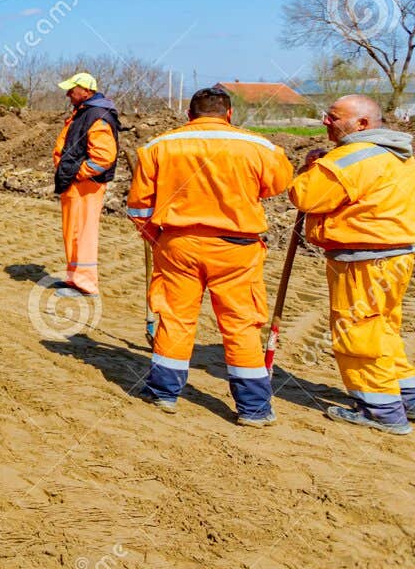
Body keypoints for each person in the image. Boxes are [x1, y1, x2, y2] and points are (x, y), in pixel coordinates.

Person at [126, 86, 294, 426]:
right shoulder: (258, 147)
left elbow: (139, 208)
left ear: (189, 115)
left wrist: (158, 238)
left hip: (177, 245)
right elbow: (279, 185)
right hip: (237, 248)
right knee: (241, 325)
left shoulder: (158, 146)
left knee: (175, 318)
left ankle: (163, 393)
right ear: (229, 114)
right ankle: (253, 409)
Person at [288, 94, 415, 436]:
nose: (326, 122)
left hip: (363, 259)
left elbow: (306, 196)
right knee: (383, 328)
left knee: (357, 331)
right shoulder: (398, 153)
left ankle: (380, 410)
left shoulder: (351, 157)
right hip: (397, 255)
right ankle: (406, 394)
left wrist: (309, 169)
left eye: (333, 117)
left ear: (362, 124)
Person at [52, 71, 120, 298]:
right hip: (76, 184)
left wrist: (78, 174)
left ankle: (86, 284)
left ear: (86, 90)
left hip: (86, 185)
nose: (68, 94)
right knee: (73, 231)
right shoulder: (84, 113)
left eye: (72, 90)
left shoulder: (96, 115)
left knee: (83, 232)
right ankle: (75, 278)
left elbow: (103, 156)